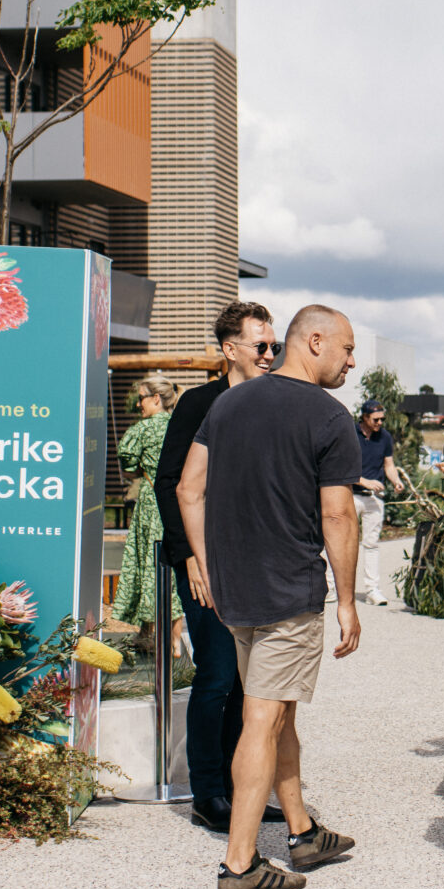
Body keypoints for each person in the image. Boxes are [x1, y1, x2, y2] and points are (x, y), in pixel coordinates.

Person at [180, 304, 365, 889]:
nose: (351, 361)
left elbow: (189, 488)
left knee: (278, 710)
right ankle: (239, 865)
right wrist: (347, 601)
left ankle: (304, 831)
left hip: (236, 594)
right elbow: (338, 512)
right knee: (262, 718)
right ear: (314, 341)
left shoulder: (227, 403)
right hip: (288, 590)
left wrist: (207, 564)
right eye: (346, 349)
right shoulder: (329, 416)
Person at [152, 300, 283, 833]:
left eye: (274, 345)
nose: (271, 354)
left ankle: (240, 790)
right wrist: (190, 559)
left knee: (250, 682)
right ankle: (208, 793)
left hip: (252, 564)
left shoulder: (270, 405)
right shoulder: (198, 404)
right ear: (231, 350)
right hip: (204, 564)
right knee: (217, 676)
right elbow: (169, 483)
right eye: (262, 345)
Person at [111, 376, 178, 647]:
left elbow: (126, 460)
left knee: (148, 561)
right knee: (173, 567)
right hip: (178, 501)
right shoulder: (179, 426)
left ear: (155, 399)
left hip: (152, 501)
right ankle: (174, 640)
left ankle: (147, 633)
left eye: (141, 398)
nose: (138, 404)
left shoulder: (144, 429)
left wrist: (141, 470)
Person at [351, 398, 405, 605]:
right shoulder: (350, 434)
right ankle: (332, 589)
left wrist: (396, 480)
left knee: (372, 544)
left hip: (375, 498)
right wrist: (364, 482)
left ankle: (372, 590)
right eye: (376, 419)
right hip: (352, 495)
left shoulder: (385, 437)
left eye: (382, 419)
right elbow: (341, 466)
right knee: (344, 542)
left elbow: (388, 465)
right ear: (364, 417)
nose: (380, 423)